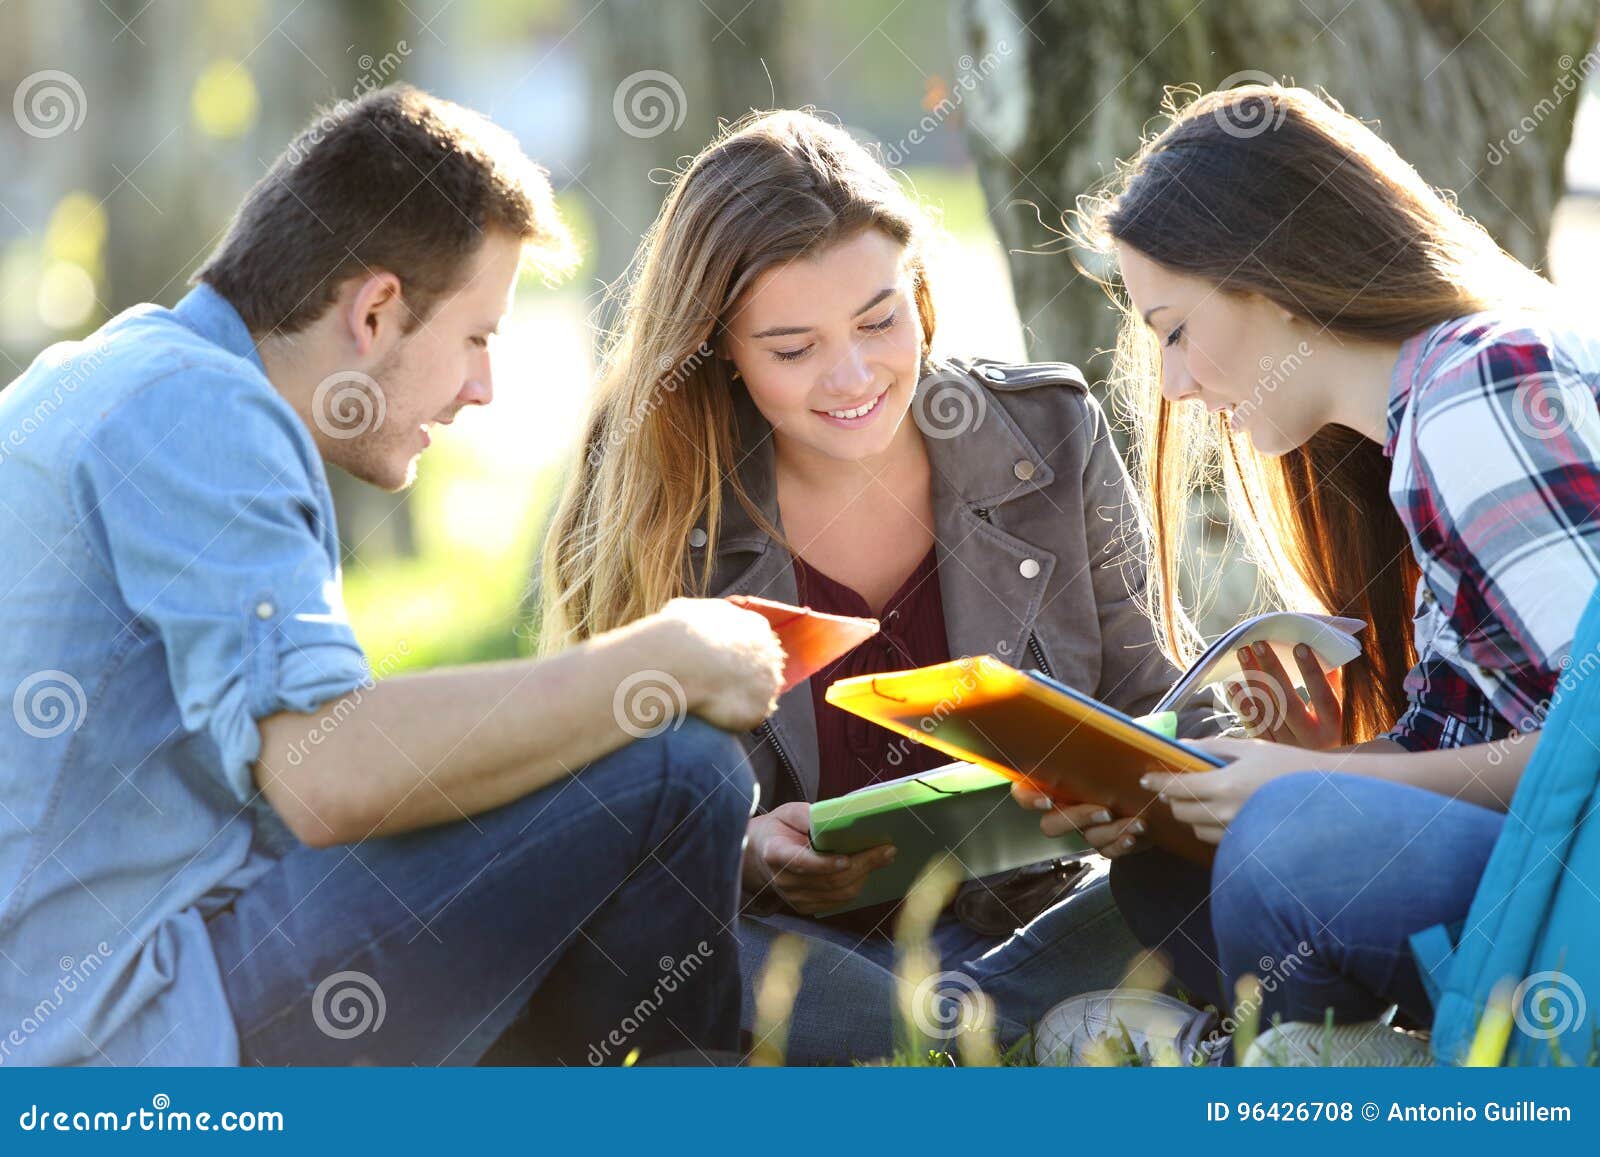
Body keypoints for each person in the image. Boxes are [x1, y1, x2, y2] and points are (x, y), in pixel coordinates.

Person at [0, 85, 786, 1067]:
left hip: (96, 1002)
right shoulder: (202, 413)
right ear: (375, 312)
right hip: (123, 1045)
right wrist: (664, 657)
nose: (481, 386)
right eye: (476, 336)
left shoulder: (114, 377)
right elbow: (330, 775)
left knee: (641, 797)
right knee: (683, 765)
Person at [540, 109, 1211, 1063]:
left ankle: (941, 1032)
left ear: (921, 295)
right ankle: (1009, 1031)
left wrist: (1135, 786)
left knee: (1241, 867)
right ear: (719, 348)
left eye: (878, 319)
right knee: (639, 948)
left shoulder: (1049, 433)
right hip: (800, 945)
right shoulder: (657, 495)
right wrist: (748, 856)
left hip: (1040, 914)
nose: (852, 374)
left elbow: (1161, 701)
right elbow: (609, 816)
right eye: (792, 347)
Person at [1073, 82, 1600, 1047]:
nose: (1178, 387)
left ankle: (1288, 1061)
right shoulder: (1411, 434)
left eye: (1174, 332)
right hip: (1544, 873)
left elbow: (1591, 747)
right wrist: (1247, 776)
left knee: (1294, 843)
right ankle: (1325, 1055)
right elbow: (1490, 730)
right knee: (1171, 860)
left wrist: (1307, 796)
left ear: (1266, 273)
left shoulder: (1480, 382)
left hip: (1581, 891)